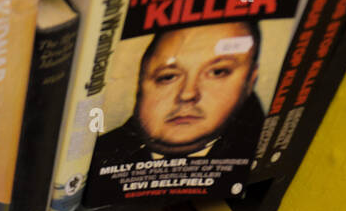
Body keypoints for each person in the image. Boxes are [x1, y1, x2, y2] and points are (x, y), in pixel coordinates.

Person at [87, 21, 264, 196]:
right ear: (139, 85)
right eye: (168, 77)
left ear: (250, 80)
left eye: (217, 72)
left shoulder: (258, 159)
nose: (187, 94)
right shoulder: (92, 160)